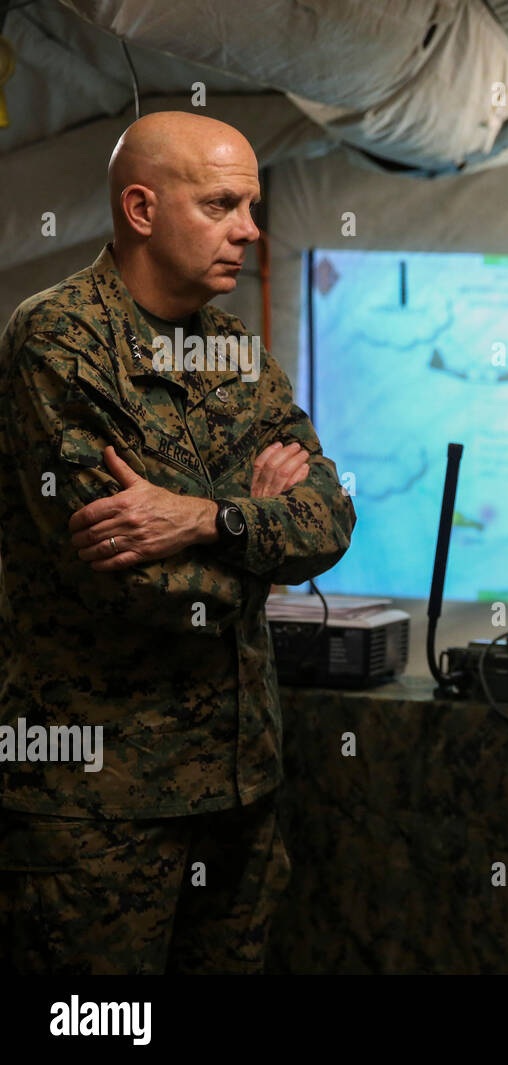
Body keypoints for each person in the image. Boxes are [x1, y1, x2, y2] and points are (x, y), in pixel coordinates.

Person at [0, 112, 357, 973]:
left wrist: (211, 519)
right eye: (223, 204)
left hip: (238, 786)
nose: (250, 229)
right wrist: (261, 554)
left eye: (253, 205)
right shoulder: (58, 343)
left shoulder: (235, 352)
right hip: (100, 806)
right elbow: (129, 582)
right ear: (141, 208)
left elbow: (332, 513)